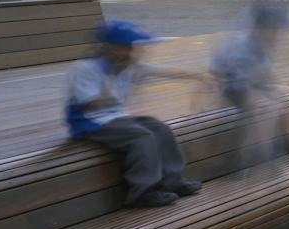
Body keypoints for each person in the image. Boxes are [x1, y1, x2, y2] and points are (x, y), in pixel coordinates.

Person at [66, 21, 201, 207]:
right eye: (126, 47)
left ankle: (172, 181)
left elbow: (162, 71)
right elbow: (89, 103)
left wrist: (198, 76)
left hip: (116, 116)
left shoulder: (126, 65)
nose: (132, 51)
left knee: (160, 129)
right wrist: (112, 83)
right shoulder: (85, 68)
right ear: (111, 48)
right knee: (141, 136)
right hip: (90, 121)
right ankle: (143, 192)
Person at [211, 1, 289, 160]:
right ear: (260, 28)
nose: (277, 35)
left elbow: (267, 77)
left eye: (278, 30)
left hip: (252, 87)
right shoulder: (241, 47)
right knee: (267, 108)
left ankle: (287, 141)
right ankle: (256, 155)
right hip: (235, 90)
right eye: (274, 29)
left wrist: (276, 91)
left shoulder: (261, 45)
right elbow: (224, 77)